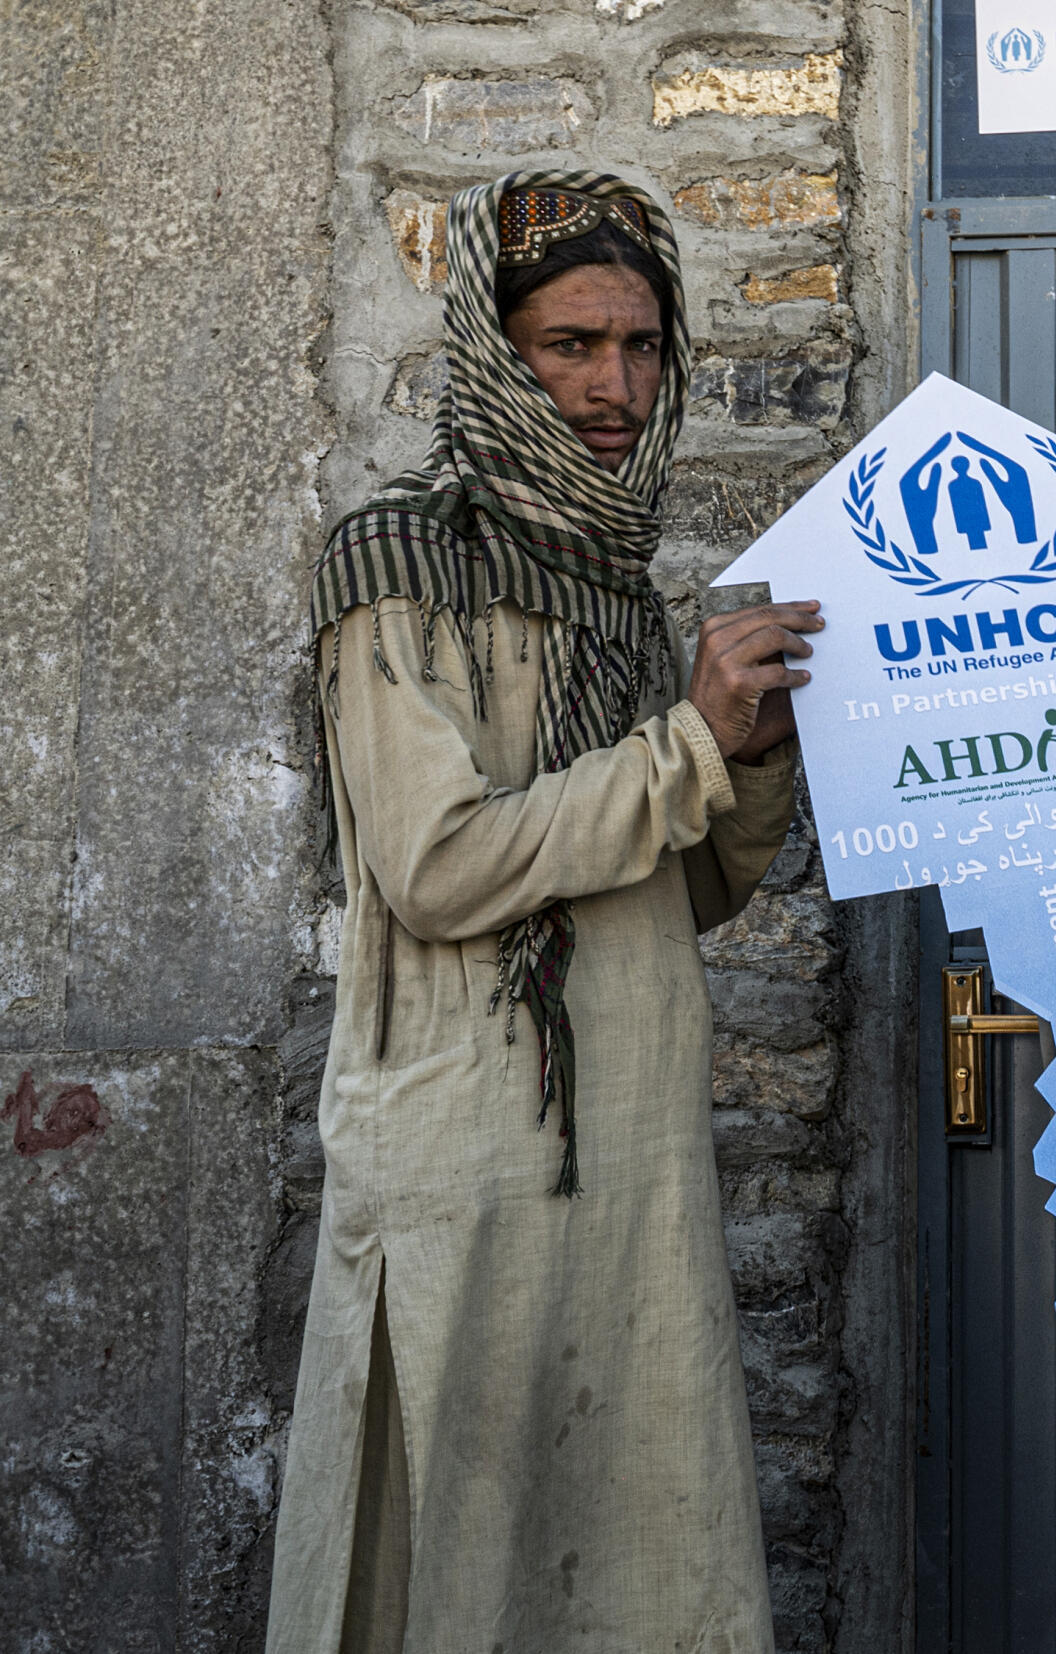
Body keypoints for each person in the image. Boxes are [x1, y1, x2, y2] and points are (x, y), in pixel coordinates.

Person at [265, 171, 824, 1653]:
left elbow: (685, 885)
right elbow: (440, 867)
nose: (615, 386)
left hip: (632, 1160)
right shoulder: (394, 572)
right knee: (451, 1569)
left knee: (631, 1561)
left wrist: (751, 761)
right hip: (465, 1159)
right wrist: (685, 747)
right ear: (497, 350)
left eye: (642, 347)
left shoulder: (622, 591)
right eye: (573, 344)